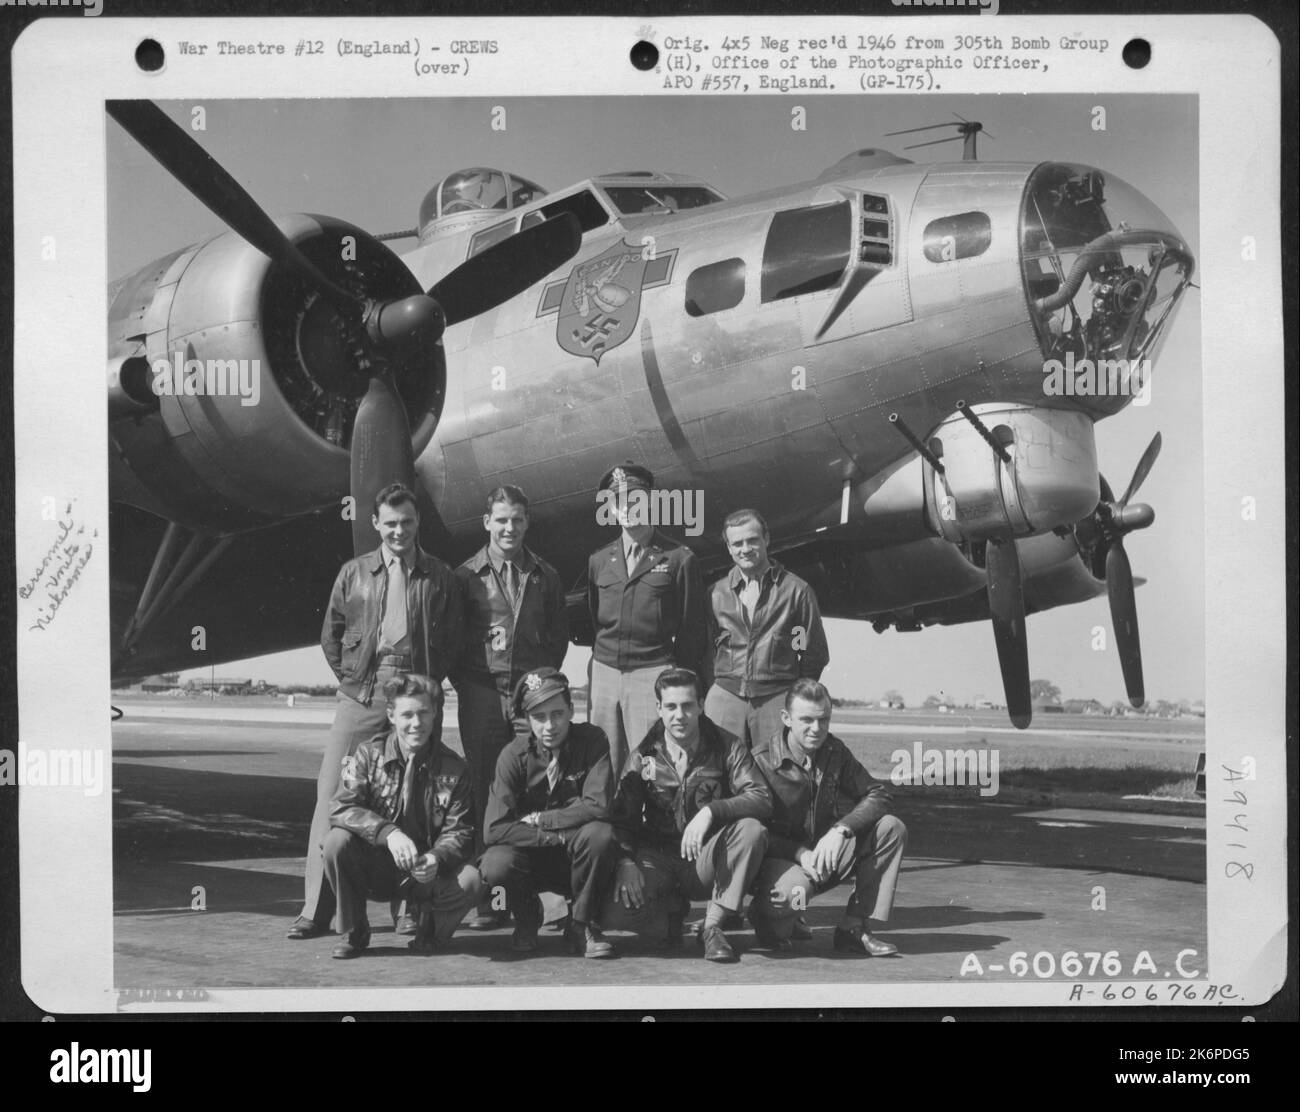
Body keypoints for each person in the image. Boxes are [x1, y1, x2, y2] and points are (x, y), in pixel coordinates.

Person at [287, 483, 463, 941]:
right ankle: (316, 908)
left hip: (416, 691)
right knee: (332, 794)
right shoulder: (353, 573)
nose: (399, 531)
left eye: (406, 522)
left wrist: (424, 686)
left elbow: (453, 640)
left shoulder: (440, 576)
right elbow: (332, 634)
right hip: (363, 691)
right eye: (390, 523)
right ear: (375, 524)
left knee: (416, 798)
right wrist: (356, 680)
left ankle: (408, 908)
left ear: (417, 521)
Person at [452, 485, 569, 930]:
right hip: (481, 695)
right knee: (486, 793)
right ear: (487, 523)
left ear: (527, 523)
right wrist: (474, 686)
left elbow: (555, 641)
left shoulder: (546, 576)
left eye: (517, 519)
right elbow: (453, 640)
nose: (509, 528)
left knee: (537, 789)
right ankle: (492, 901)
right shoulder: (465, 577)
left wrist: (534, 690)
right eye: (501, 519)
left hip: (530, 699)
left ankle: (544, 897)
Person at [607, 668, 772, 963]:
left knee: (751, 830)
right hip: (659, 858)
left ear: (701, 704)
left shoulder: (728, 746)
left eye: (687, 705)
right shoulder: (644, 754)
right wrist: (625, 860)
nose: (679, 715)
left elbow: (760, 797)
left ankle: (713, 927)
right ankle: (669, 916)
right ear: (659, 708)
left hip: (708, 860)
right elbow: (623, 818)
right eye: (670, 707)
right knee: (614, 914)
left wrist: (712, 810)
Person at [321, 674, 482, 958]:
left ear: (435, 715)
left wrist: (437, 858)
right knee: (336, 842)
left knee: (470, 880)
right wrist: (388, 833)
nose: (416, 723)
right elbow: (341, 807)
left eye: (423, 713)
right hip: (377, 865)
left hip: (424, 871)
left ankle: (430, 930)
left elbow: (461, 832)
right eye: (407, 714)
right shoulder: (367, 755)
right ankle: (355, 930)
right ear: (391, 716)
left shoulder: (455, 769)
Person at [747, 679, 906, 956]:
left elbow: (878, 794)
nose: (816, 729)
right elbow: (751, 832)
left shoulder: (834, 751)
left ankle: (854, 927)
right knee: (788, 901)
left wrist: (841, 830)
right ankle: (769, 915)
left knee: (891, 828)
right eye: (806, 720)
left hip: (825, 855)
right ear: (786, 718)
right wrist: (800, 854)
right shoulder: (760, 761)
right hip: (782, 862)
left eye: (824, 719)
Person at [478, 668, 621, 958]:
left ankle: (582, 924)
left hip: (577, 857)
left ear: (571, 710)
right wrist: (555, 837)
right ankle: (527, 917)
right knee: (495, 864)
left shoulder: (592, 742)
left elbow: (598, 805)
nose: (549, 726)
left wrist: (544, 820)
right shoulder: (512, 756)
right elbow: (494, 829)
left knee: (600, 835)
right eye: (539, 717)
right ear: (526, 720)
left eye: (557, 714)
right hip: (532, 857)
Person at [587, 462, 707, 777]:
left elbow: (692, 630)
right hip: (605, 673)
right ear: (611, 508)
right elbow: (595, 621)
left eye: (636, 498)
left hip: (652, 672)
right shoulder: (599, 561)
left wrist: (675, 682)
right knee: (602, 764)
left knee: (652, 765)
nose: (628, 507)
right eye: (619, 500)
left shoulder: (679, 558)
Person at [705, 508, 829, 749]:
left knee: (777, 771)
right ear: (729, 548)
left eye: (752, 540)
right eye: (737, 543)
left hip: (776, 698)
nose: (745, 549)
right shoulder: (715, 594)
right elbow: (705, 649)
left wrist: (794, 698)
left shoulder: (795, 592)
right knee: (718, 769)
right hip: (725, 695)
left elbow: (810, 651)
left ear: (767, 540)